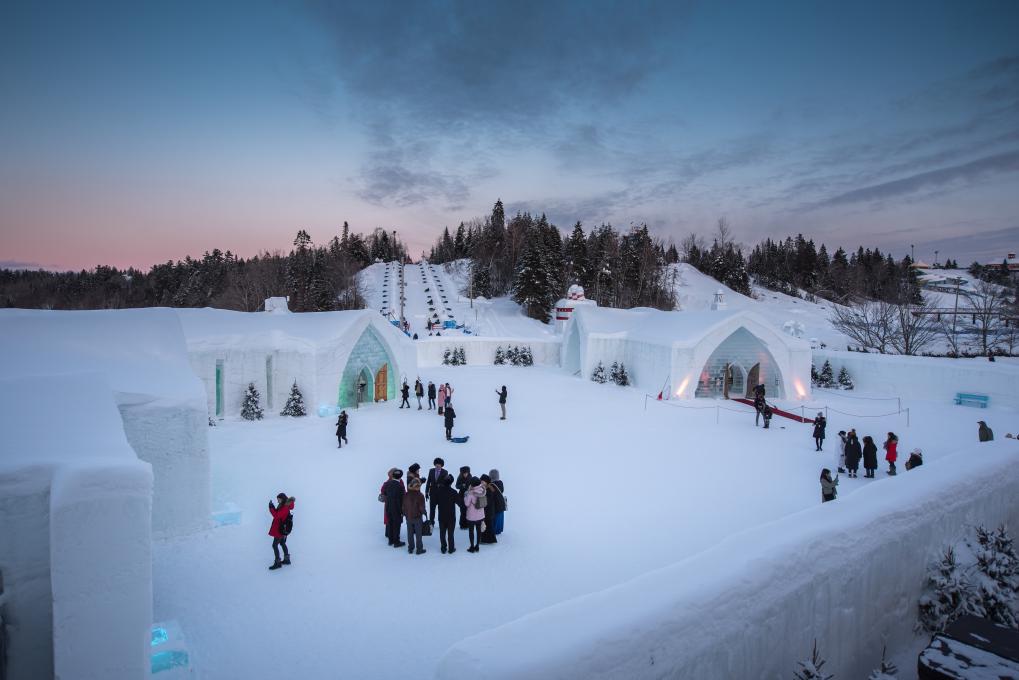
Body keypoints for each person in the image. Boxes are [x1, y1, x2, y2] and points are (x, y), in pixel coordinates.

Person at [268, 493, 295, 570]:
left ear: (283, 499)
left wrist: (271, 508)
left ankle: (278, 563)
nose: (278, 501)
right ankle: (286, 559)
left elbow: (277, 516)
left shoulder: (285, 507)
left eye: (279, 499)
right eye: (277, 499)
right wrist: (273, 506)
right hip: (283, 529)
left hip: (280, 530)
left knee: (274, 545)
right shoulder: (283, 506)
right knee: (282, 543)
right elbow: (278, 514)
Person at [434, 475, 457, 554]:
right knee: (450, 533)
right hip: (451, 516)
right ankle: (451, 548)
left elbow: (435, 502)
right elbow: (460, 503)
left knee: (442, 533)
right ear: (451, 483)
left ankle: (443, 548)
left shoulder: (438, 491)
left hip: (442, 516)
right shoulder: (454, 492)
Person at [403, 478, 427, 555]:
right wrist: (424, 513)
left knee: (410, 533)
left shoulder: (406, 494)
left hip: (408, 517)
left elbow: (403, 506)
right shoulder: (420, 495)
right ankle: (419, 549)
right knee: (418, 534)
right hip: (417, 517)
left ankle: (410, 548)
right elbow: (421, 508)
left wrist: (405, 514)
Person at [383, 468, 406, 548]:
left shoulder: (387, 484)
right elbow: (403, 499)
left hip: (388, 507)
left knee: (390, 523)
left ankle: (390, 540)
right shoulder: (400, 486)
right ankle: (396, 542)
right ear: (400, 477)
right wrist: (403, 511)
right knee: (397, 525)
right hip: (397, 508)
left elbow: (384, 493)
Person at [464, 477, 487, 553]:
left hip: (472, 516)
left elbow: (467, 504)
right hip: (480, 516)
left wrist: (465, 496)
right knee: (478, 531)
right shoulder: (482, 490)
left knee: (471, 531)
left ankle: (472, 547)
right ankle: (477, 546)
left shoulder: (470, 493)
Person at [490, 469, 505, 535]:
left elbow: (492, 494)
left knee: (495, 517)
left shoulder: (491, 485)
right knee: (500, 517)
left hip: (495, 503)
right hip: (501, 502)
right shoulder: (500, 483)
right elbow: (502, 491)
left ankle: (495, 531)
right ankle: (499, 530)